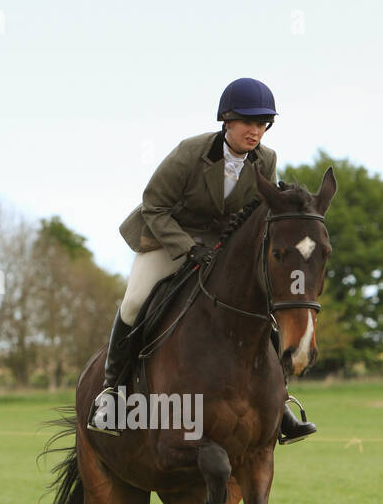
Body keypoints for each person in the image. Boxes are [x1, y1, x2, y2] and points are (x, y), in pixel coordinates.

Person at [88, 77, 317, 444]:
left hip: (221, 245)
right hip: (167, 236)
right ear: (226, 121)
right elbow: (154, 206)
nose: (255, 131)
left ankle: (280, 400)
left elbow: (262, 214)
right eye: (247, 122)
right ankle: (111, 392)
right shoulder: (189, 153)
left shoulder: (267, 160)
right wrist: (186, 246)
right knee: (134, 301)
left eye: (261, 124)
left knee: (264, 305)